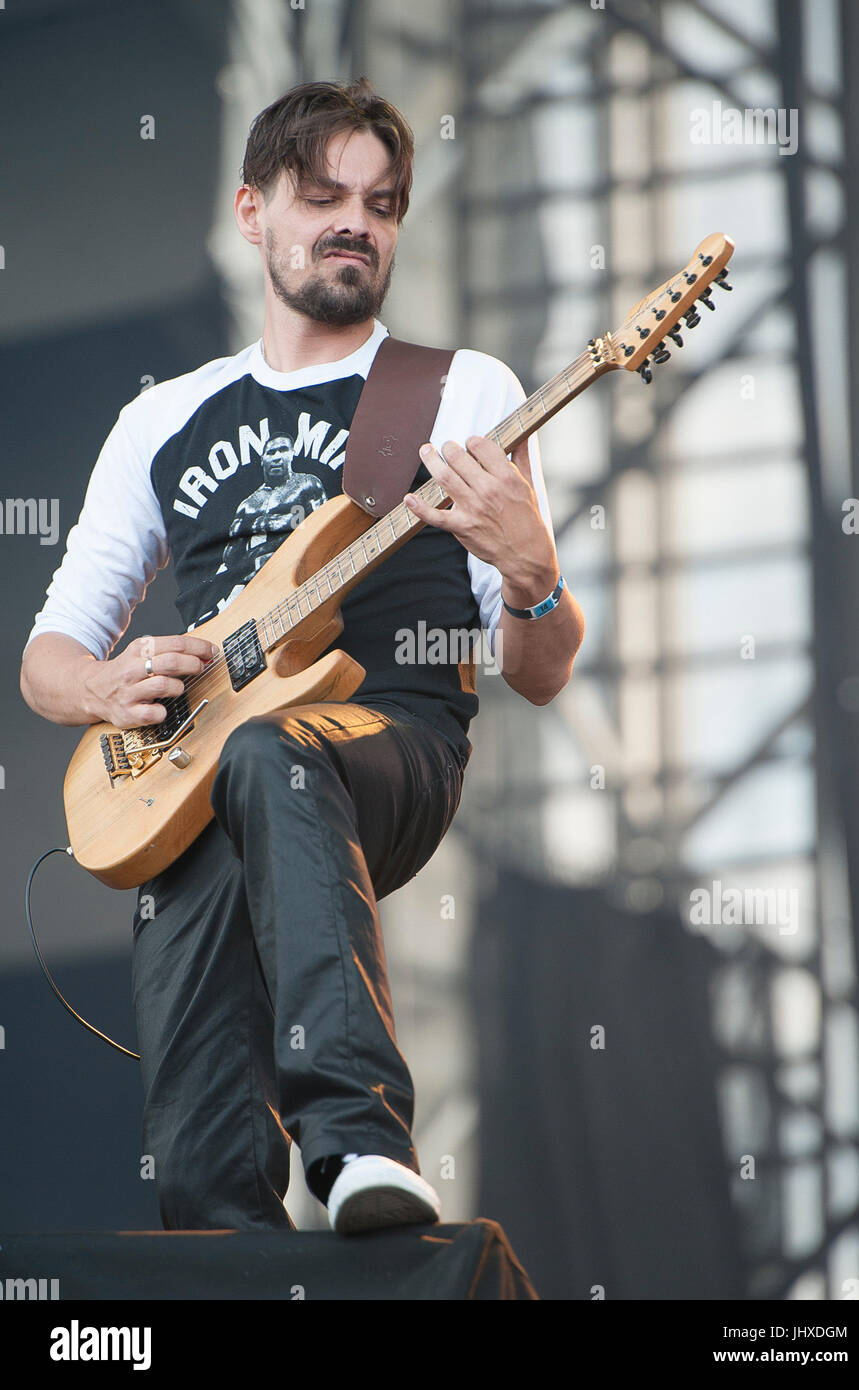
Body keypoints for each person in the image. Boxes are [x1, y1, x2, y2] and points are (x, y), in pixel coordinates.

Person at [19, 78, 585, 1236]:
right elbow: (47, 655)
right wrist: (104, 685)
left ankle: (358, 1138)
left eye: (379, 204)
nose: (353, 222)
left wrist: (534, 576)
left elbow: (540, 668)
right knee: (193, 1125)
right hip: (196, 768)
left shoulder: (455, 389)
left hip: (386, 741)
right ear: (250, 210)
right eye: (321, 194)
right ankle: (227, 1251)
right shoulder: (166, 417)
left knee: (279, 749)